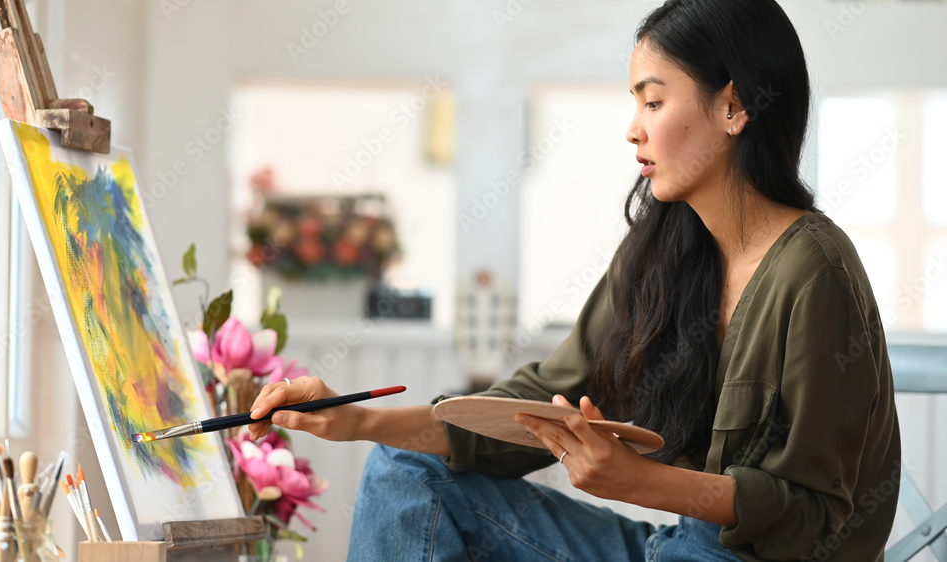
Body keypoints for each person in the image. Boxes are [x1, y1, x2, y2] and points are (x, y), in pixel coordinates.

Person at [249, 0, 901, 559]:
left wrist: (641, 481)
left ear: (732, 106)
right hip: (675, 547)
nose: (633, 130)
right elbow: (536, 402)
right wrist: (360, 421)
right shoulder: (668, 251)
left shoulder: (814, 270)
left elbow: (818, 518)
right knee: (406, 472)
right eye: (635, 104)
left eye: (654, 101)